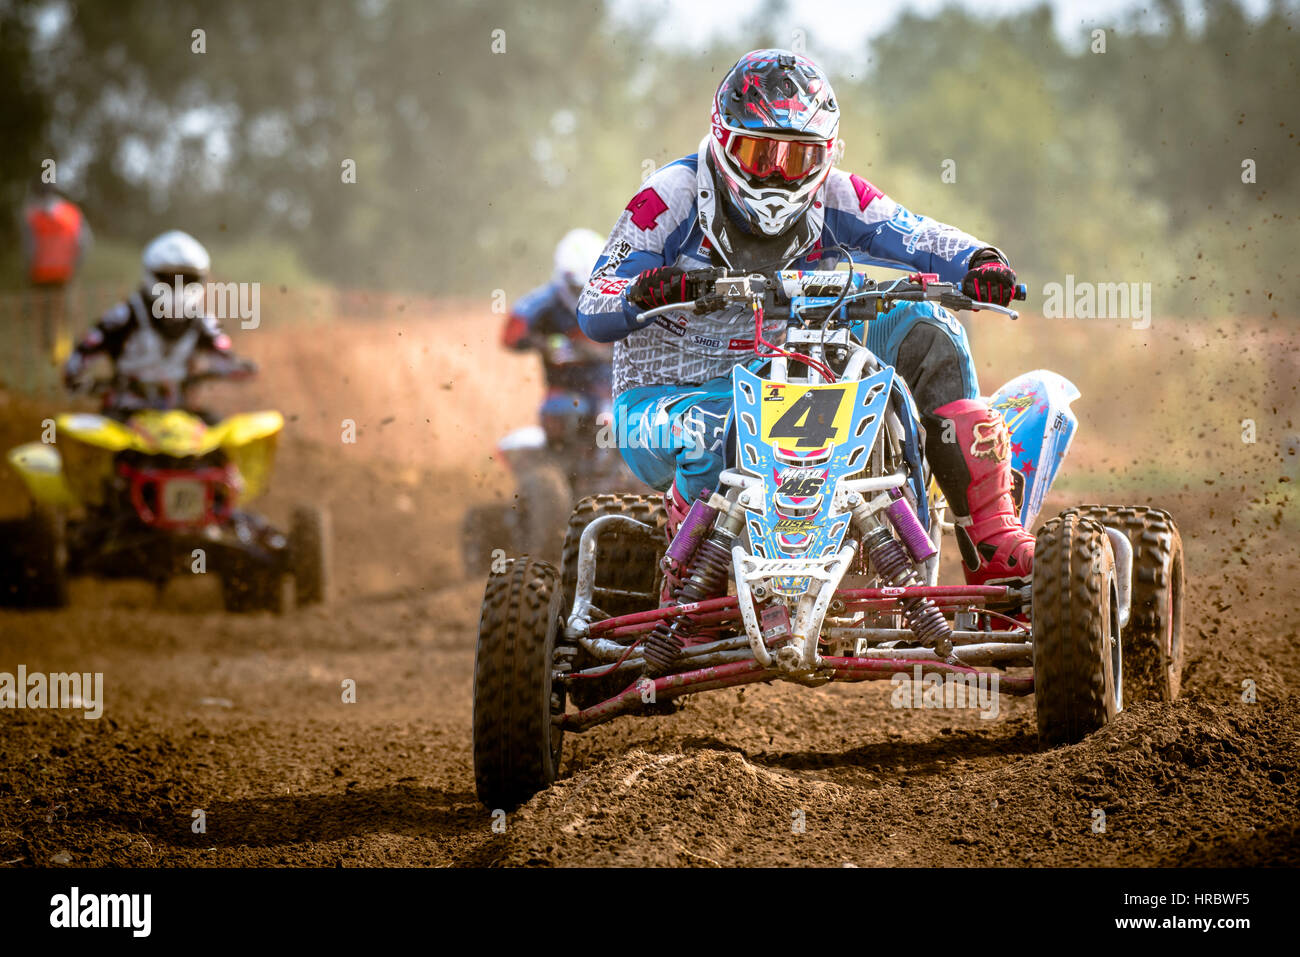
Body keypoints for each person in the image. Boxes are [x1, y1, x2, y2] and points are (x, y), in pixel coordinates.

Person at [577, 49, 1032, 590]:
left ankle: (993, 539)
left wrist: (980, 261)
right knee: (724, 428)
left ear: (826, 156)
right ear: (722, 142)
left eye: (795, 159)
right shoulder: (667, 199)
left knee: (930, 329)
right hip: (661, 398)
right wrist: (642, 292)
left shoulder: (838, 195)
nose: (774, 175)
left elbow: (917, 234)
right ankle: (692, 573)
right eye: (756, 152)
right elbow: (594, 304)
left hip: (792, 376)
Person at [62, 230, 254, 420]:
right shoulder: (124, 317)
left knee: (223, 434)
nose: (178, 286)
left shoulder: (203, 322)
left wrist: (239, 368)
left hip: (179, 418)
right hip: (126, 416)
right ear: (151, 275)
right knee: (89, 436)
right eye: (169, 279)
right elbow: (76, 363)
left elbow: (227, 360)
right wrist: (99, 386)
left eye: (187, 279)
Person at [502, 229, 613, 437]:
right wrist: (546, 344)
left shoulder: (621, 300)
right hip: (566, 391)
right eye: (579, 288)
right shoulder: (545, 303)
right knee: (562, 411)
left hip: (613, 391)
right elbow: (510, 335)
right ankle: (559, 465)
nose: (585, 294)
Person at [21, 179, 92, 363]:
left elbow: (29, 248)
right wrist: (75, 267)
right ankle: (61, 353)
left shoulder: (33, 216)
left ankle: (49, 352)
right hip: (63, 274)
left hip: (41, 274)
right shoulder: (71, 213)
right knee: (63, 316)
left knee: (46, 315)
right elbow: (83, 244)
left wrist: (28, 268)